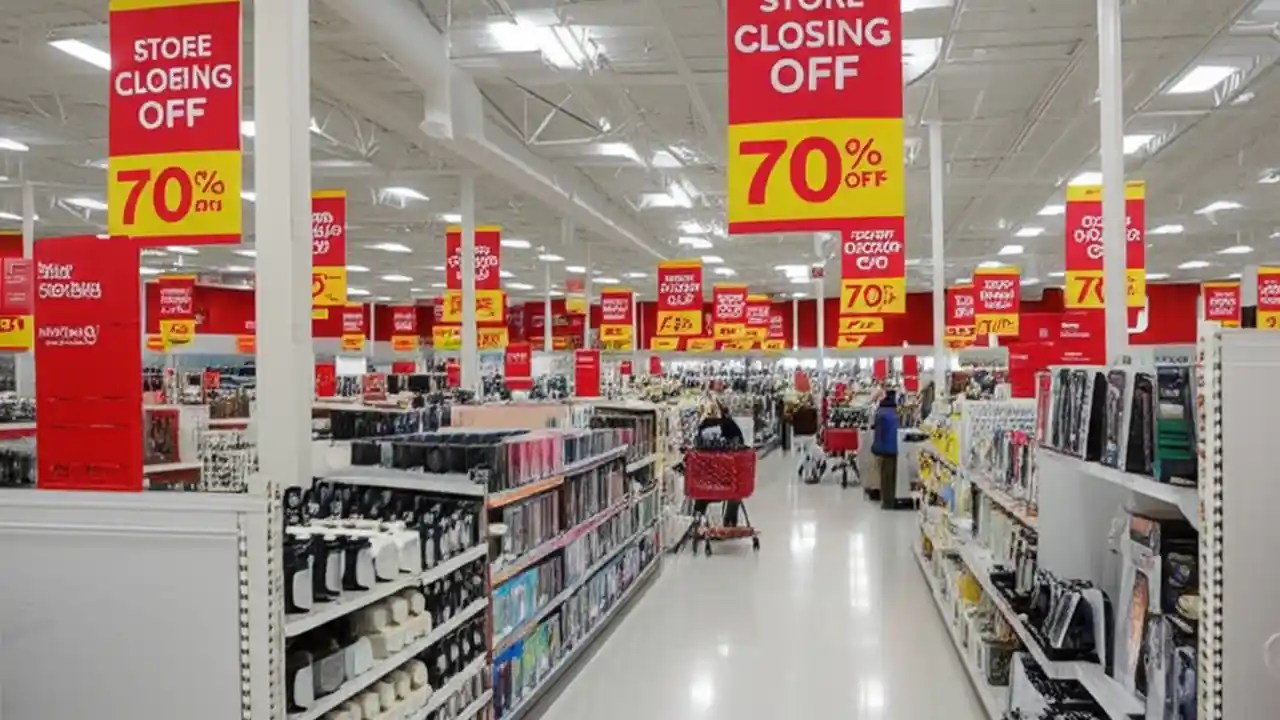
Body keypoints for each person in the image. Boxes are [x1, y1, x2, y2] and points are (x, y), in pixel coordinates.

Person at [693, 400, 745, 526]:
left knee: (701, 492)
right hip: (729, 481)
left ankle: (698, 519)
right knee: (736, 487)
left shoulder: (702, 427)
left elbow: (696, 449)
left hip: (706, 483)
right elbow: (741, 450)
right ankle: (730, 520)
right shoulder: (732, 426)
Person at [871, 390, 900, 509]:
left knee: (885, 476)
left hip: (884, 449)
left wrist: (875, 448)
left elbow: (878, 433)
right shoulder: (896, 413)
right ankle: (892, 499)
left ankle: (887, 502)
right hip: (896, 447)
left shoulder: (880, 413)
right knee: (892, 475)